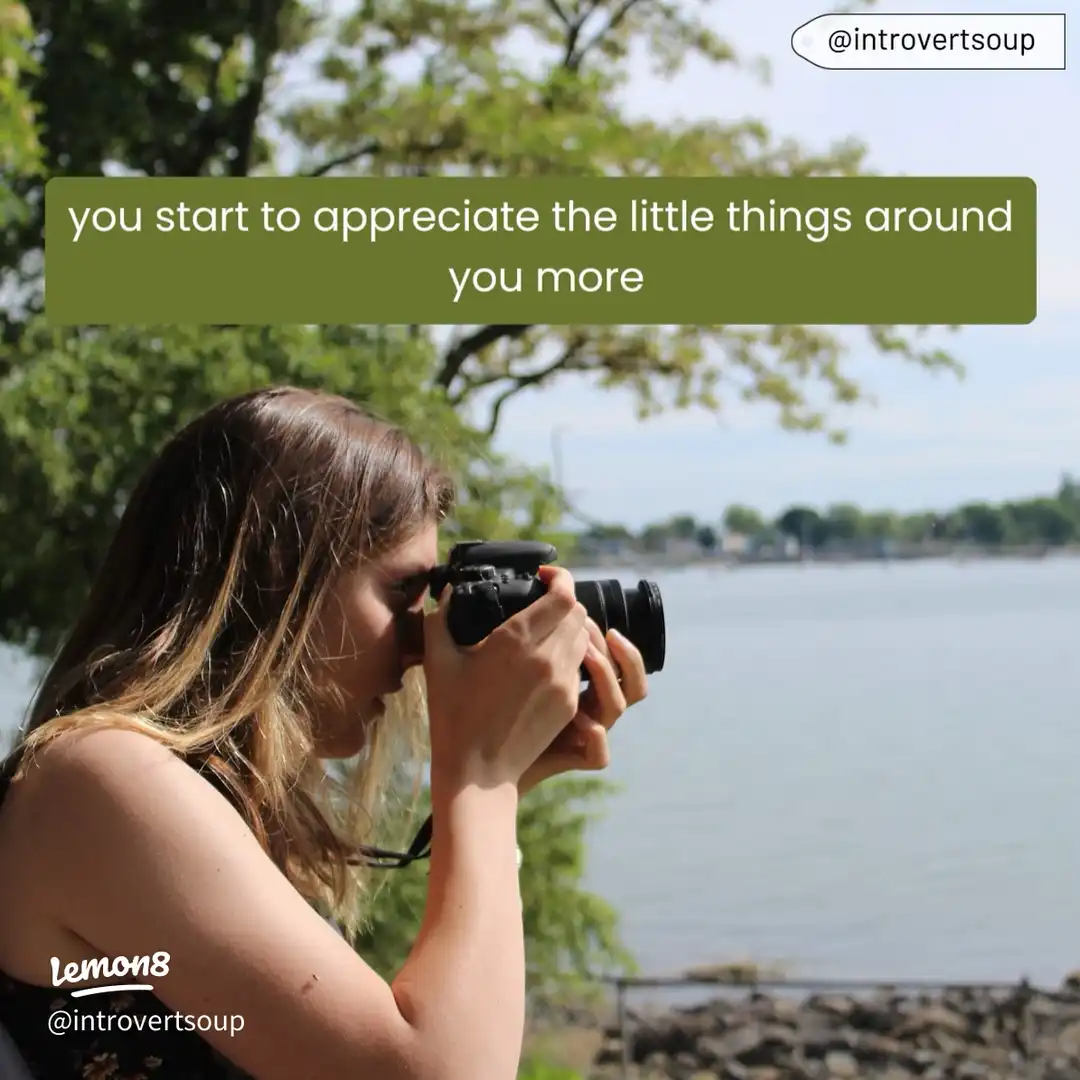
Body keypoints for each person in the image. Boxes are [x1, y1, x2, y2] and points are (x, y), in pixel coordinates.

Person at [0, 386, 648, 1080]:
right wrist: (481, 777)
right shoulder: (100, 780)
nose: (420, 647)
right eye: (402, 594)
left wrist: (504, 785)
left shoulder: (175, 794)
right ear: (278, 575)